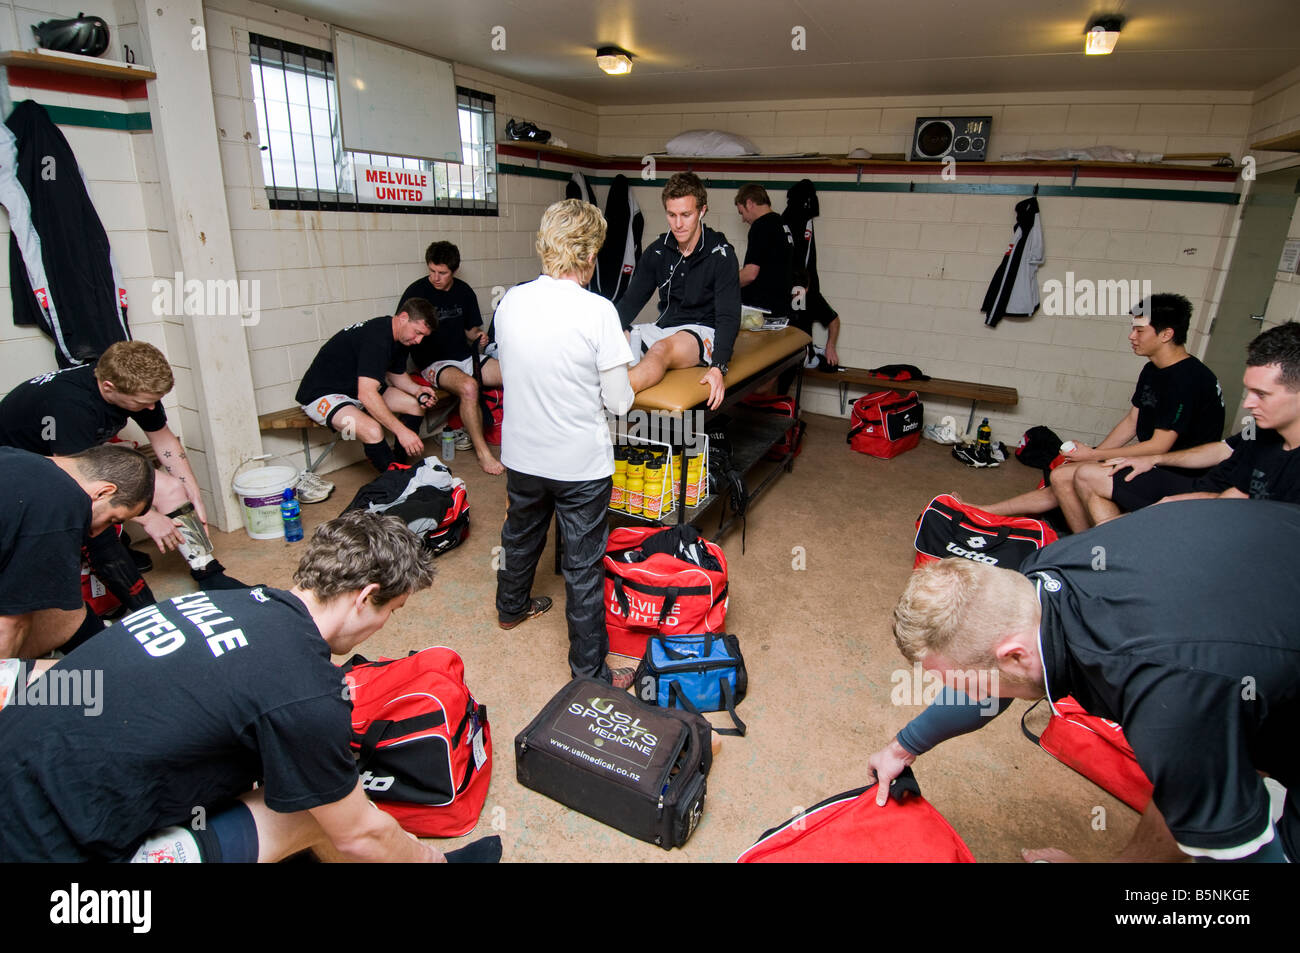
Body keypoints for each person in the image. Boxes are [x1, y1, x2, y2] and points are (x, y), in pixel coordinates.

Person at [0, 510, 499, 863]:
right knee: (322, 814)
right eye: (392, 610)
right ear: (366, 596)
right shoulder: (304, 688)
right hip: (51, 856)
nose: (387, 623)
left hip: (19, 778)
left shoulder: (226, 602)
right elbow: (360, 837)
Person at [866, 500, 1300, 862]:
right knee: (1189, 778)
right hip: (1260, 595)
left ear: (1014, 655)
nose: (970, 693)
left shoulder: (1167, 700)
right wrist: (902, 748)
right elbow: (990, 692)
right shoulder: (1043, 575)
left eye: (968, 682)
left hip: (1229, 655)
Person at [493, 199, 635, 687]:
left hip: (523, 455)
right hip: (579, 465)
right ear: (590, 253)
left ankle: (510, 608)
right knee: (583, 565)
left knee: (521, 532)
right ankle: (590, 672)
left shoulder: (510, 301)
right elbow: (618, 403)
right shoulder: (599, 311)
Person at [0, 342, 248, 607]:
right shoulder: (71, 405)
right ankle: (134, 604)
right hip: (20, 474)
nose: (152, 408)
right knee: (96, 526)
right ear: (108, 387)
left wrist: (193, 495)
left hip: (76, 459)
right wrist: (147, 516)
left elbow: (164, 441)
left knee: (172, 489)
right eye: (143, 403)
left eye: (155, 401)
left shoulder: (135, 385)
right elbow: (73, 482)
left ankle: (208, 573)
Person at [978, 294, 1223, 533]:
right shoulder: (1153, 369)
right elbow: (1132, 420)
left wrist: (1095, 455)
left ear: (1166, 334)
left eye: (1139, 331)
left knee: (1082, 475)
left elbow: (1159, 446)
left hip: (1180, 474)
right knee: (1062, 474)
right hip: (1151, 462)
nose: (1131, 336)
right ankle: (988, 511)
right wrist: (1092, 455)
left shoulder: (1187, 379)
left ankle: (1092, 550)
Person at [1074, 321, 1300, 521]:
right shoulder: (1262, 434)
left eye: (1261, 394)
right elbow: (1237, 495)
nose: (1247, 404)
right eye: (1249, 391)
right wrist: (1170, 506)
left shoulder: (1187, 379)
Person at [0, 444, 153, 658]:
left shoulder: (17, 456)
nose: (96, 533)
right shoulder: (60, 506)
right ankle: (117, 668)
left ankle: (115, 659)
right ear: (103, 492)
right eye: (111, 520)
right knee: (77, 678)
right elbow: (10, 624)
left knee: (65, 612)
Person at [616, 172, 741, 411]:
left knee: (661, 349)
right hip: (664, 328)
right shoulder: (658, 251)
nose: (678, 224)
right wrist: (605, 335)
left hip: (702, 332)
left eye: (686, 214)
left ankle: (609, 398)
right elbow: (630, 303)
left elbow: (728, 316)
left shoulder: (721, 254)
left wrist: (719, 367)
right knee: (617, 339)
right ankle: (570, 396)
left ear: (702, 211)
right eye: (672, 215)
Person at [295, 300, 438, 474]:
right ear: (403, 317)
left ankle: (400, 468)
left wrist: (417, 390)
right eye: (417, 333)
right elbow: (367, 394)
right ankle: (394, 483)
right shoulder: (377, 337)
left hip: (355, 389)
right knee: (372, 430)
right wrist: (402, 431)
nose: (419, 340)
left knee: (414, 406)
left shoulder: (400, 338)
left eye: (423, 336)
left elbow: (396, 374)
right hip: (324, 394)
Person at [401, 241, 504, 476]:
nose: (436, 277)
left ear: (454, 271)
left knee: (513, 373)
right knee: (469, 387)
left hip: (463, 356)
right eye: (432, 271)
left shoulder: (464, 291)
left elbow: (470, 331)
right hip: (433, 362)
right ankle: (483, 453)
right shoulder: (416, 292)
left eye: (442, 273)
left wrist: (479, 336)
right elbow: (404, 332)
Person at [735, 183, 794, 320]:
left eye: (741, 212)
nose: (743, 219)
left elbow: (750, 274)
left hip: (763, 311)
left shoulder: (761, 226)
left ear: (749, 203)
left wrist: (721, 283)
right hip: (782, 309)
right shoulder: (782, 223)